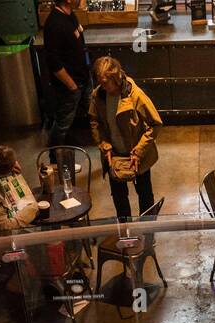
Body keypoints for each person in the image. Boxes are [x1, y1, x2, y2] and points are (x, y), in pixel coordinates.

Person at [89, 56, 163, 220]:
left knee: (145, 195)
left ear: (116, 78)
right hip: (114, 156)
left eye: (105, 82)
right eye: (100, 82)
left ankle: (148, 230)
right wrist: (104, 145)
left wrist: (138, 152)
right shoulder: (99, 96)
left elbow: (155, 124)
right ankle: (125, 232)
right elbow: (95, 121)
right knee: (119, 198)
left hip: (137, 157)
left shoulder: (135, 95)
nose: (103, 86)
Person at [44, 0, 92, 147]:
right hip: (71, 86)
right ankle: (55, 159)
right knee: (62, 125)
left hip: (84, 78)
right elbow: (54, 63)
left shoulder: (70, 15)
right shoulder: (55, 24)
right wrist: (72, 86)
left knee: (94, 112)